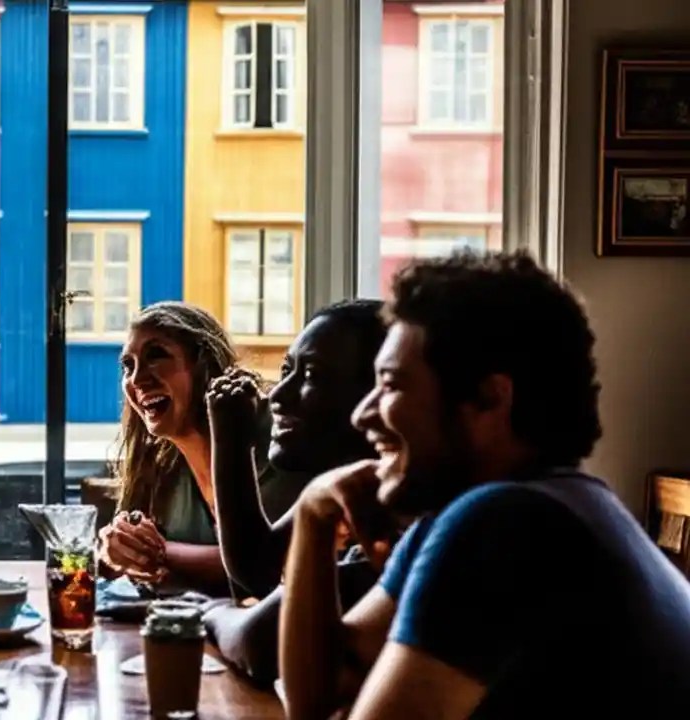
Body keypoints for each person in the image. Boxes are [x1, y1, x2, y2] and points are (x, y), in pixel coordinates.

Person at [280, 251, 690, 719]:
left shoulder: (507, 526)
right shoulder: (558, 502)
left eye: (391, 385)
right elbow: (317, 696)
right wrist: (314, 515)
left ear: (489, 400)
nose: (363, 413)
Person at [202, 300, 386, 684]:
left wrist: (210, 612)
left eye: (312, 375)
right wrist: (231, 441)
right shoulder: (350, 481)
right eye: (287, 370)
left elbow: (261, 639)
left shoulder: (405, 504)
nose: (277, 396)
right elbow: (258, 564)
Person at [99, 302, 283, 597]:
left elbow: (264, 566)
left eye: (156, 355)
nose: (136, 379)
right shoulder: (159, 461)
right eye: (128, 366)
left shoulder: (268, 437)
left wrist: (161, 552)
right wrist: (115, 545)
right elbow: (117, 565)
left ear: (204, 364)